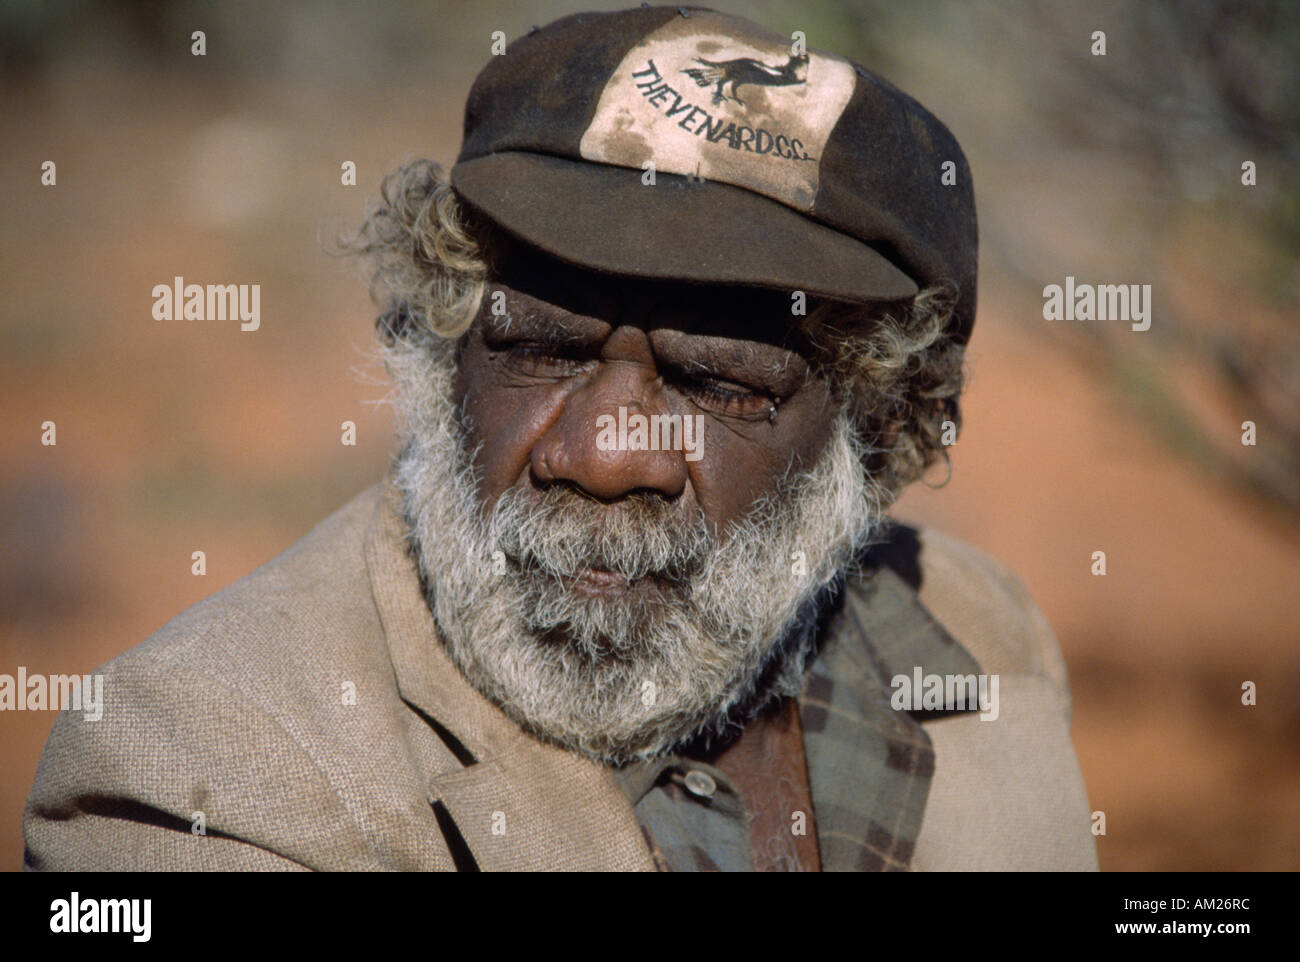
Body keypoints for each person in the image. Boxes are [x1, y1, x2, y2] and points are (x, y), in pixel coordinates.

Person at [24, 4, 1097, 871]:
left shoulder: (979, 636)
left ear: (873, 425)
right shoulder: (197, 772)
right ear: (439, 355)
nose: (597, 453)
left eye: (715, 379)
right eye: (538, 349)